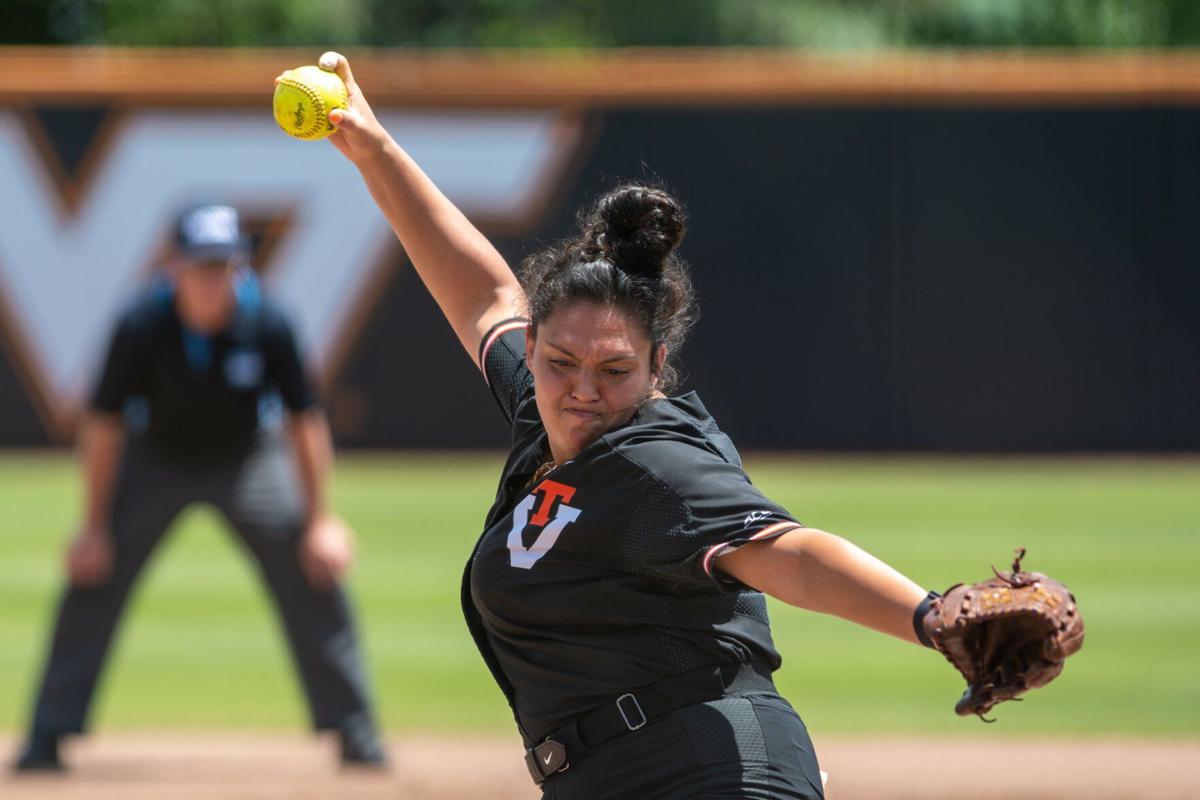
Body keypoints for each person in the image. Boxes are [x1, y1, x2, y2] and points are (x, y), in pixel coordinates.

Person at [316, 52, 944, 798]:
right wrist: (374, 151)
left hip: (712, 773)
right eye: (558, 362)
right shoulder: (544, 415)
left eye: (613, 371)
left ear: (656, 366)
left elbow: (792, 554)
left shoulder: (658, 466)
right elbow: (484, 293)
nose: (582, 389)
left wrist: (935, 618)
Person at [13, 203, 386, 772]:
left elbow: (303, 420)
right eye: (201, 266)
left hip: (246, 456)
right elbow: (105, 424)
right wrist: (91, 525)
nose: (214, 280)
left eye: (224, 266)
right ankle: (47, 735)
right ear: (173, 267)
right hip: (156, 454)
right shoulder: (140, 323)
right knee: (92, 569)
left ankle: (356, 731)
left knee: (313, 565)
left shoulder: (268, 321)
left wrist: (320, 520)